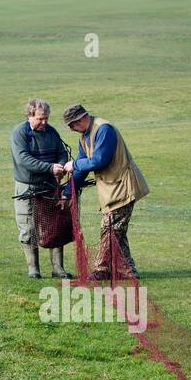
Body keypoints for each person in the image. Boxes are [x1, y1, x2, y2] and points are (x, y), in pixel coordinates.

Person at [59, 103, 149, 280]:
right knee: (117, 231)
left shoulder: (104, 130)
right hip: (110, 190)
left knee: (109, 229)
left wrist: (74, 164)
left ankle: (101, 270)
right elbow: (82, 169)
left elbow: (100, 160)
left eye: (72, 125)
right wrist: (68, 191)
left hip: (124, 186)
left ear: (82, 118)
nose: (71, 129)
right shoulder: (84, 136)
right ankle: (128, 271)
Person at [10, 99, 72, 279]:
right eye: (40, 118)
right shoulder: (19, 133)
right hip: (27, 186)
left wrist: (60, 166)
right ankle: (34, 269)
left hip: (50, 186)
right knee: (28, 227)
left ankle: (58, 268)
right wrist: (49, 168)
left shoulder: (51, 132)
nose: (44, 122)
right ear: (29, 116)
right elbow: (23, 159)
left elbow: (62, 152)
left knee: (55, 226)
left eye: (46, 118)